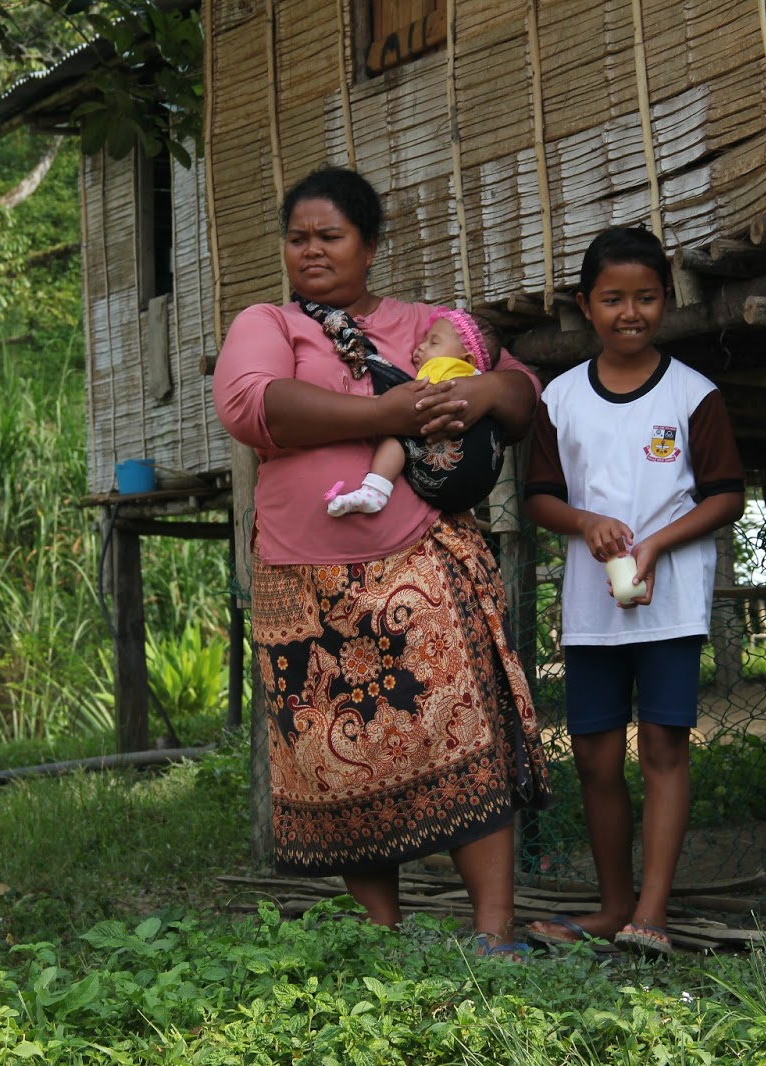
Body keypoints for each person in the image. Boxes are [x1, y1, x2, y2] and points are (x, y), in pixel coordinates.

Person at [212, 166, 552, 957]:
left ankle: (492, 935)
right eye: (298, 239)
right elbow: (250, 404)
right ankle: (383, 940)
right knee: (340, 764)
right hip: (300, 581)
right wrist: (382, 413)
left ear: (369, 245)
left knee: (462, 737)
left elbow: (519, 388)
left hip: (418, 565)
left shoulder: (424, 324)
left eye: (330, 237)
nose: (312, 252)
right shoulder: (268, 322)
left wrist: (476, 398)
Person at [522, 226, 745, 956]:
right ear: (585, 306)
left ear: (667, 302)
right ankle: (613, 905)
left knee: (663, 749)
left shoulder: (693, 394)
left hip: (671, 604)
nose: (630, 312)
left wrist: (655, 543)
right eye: (613, 298)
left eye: (646, 298)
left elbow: (726, 496)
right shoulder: (560, 399)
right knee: (593, 756)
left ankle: (652, 911)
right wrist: (587, 523)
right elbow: (541, 498)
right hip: (593, 608)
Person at [325, 307, 504, 517]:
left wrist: (372, 405)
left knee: (395, 427)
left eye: (433, 342)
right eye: (424, 340)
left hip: (444, 464)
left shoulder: (445, 368)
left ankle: (375, 489)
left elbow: (416, 405)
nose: (420, 347)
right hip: (476, 485)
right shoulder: (479, 387)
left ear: (466, 360)